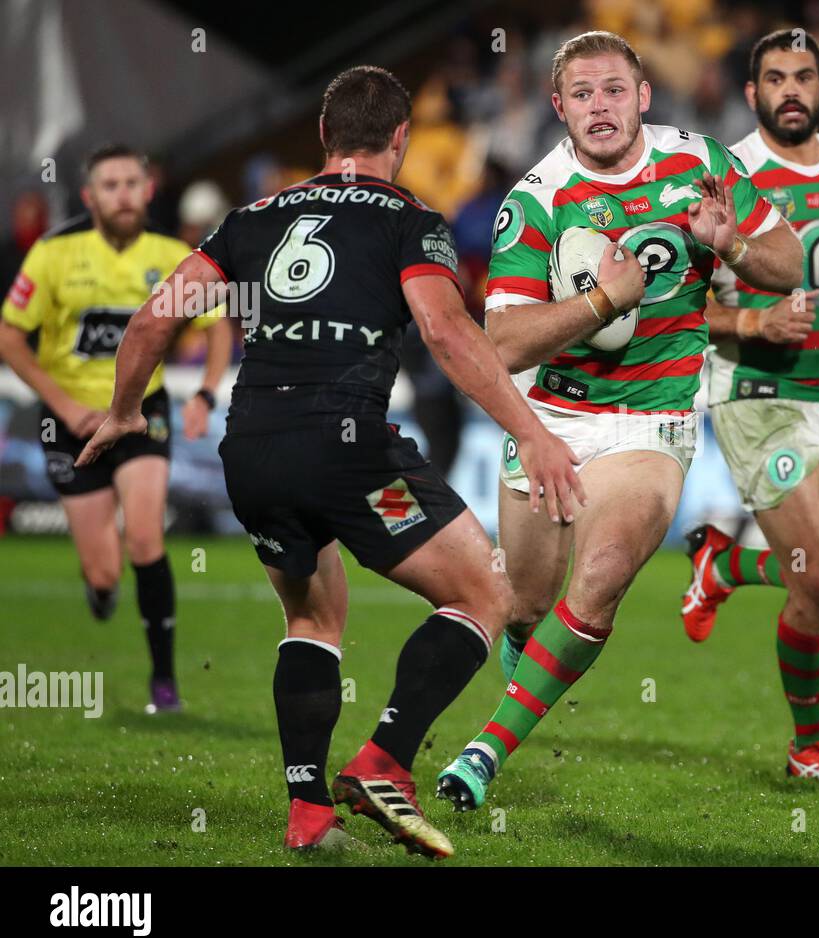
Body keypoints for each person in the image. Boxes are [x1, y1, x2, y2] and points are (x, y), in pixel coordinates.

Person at [76, 66, 583, 856]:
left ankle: (308, 814)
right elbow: (448, 334)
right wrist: (532, 431)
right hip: (344, 448)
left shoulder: (252, 216)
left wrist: (123, 411)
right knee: (484, 592)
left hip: (251, 451)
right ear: (402, 139)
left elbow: (150, 323)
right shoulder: (410, 217)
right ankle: (385, 760)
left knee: (313, 616)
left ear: (322, 136)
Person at [436, 30, 802, 811]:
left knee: (599, 580)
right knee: (528, 603)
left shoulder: (703, 164)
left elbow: (791, 263)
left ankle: (483, 751)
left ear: (642, 95)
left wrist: (730, 243)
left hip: (654, 420)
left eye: (613, 90)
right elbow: (500, 342)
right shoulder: (535, 198)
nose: (599, 107)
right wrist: (603, 302)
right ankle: (524, 648)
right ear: (558, 106)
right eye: (582, 94)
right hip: (551, 418)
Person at [681, 29, 819, 780]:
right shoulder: (727, 172)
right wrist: (752, 322)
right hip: (755, 391)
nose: (791, 90)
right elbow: (676, 302)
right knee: (816, 579)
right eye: (775, 78)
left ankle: (724, 565)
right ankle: (810, 743)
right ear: (751, 94)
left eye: (805, 76)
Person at [0, 145, 232, 713]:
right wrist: (61, 405)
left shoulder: (175, 255)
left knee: (147, 538)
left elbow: (218, 325)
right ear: (89, 196)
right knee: (104, 570)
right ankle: (100, 589)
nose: (123, 194)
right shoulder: (54, 254)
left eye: (133, 183)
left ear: (149, 190)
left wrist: (204, 393)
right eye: (111, 185)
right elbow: (9, 337)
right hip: (70, 421)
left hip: (141, 414)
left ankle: (164, 683)